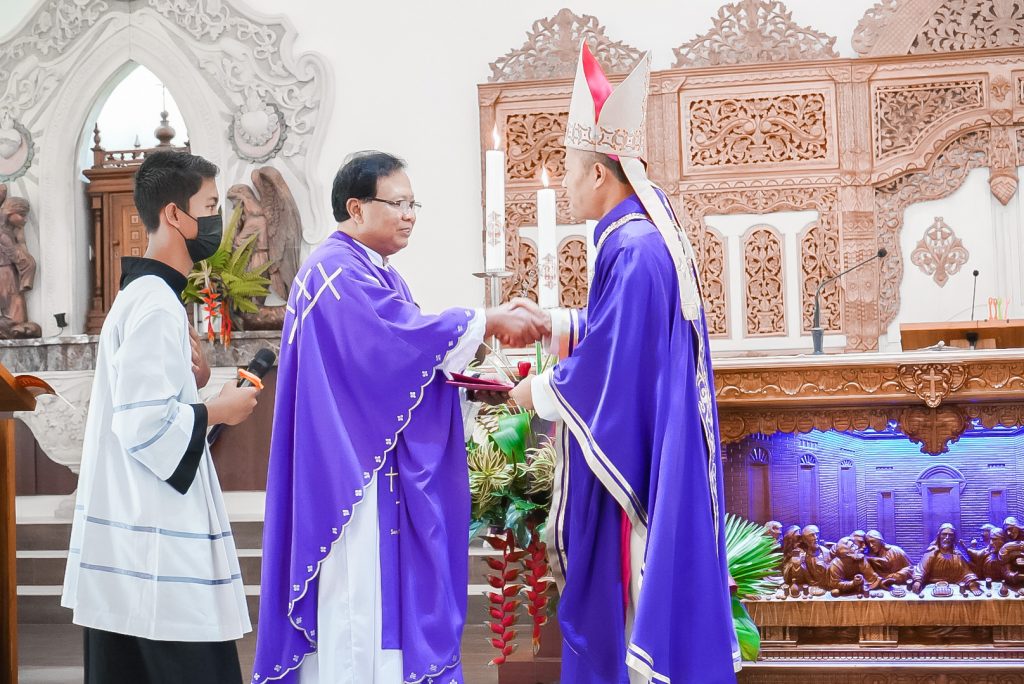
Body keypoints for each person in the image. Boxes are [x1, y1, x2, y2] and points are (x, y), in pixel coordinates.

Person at [253, 151, 548, 684]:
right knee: (359, 608)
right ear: (356, 208)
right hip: (351, 479)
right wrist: (484, 320)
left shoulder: (374, 271)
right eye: (398, 203)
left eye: (414, 204)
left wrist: (468, 386)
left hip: (371, 465)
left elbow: (407, 365)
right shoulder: (334, 271)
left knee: (378, 609)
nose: (410, 215)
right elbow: (391, 345)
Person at [509, 43, 738, 683]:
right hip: (656, 434)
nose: (565, 182)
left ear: (599, 176)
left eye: (569, 168)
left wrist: (541, 392)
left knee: (636, 597)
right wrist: (556, 323)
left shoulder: (633, 247)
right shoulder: (639, 233)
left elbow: (617, 356)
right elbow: (623, 334)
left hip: (645, 452)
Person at [61, 151, 261, 683]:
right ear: (175, 214)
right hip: (156, 544)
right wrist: (219, 408)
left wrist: (197, 388)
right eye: (211, 206)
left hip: (136, 535)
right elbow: (144, 427)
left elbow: (147, 407)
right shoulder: (154, 304)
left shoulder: (146, 297)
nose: (218, 222)